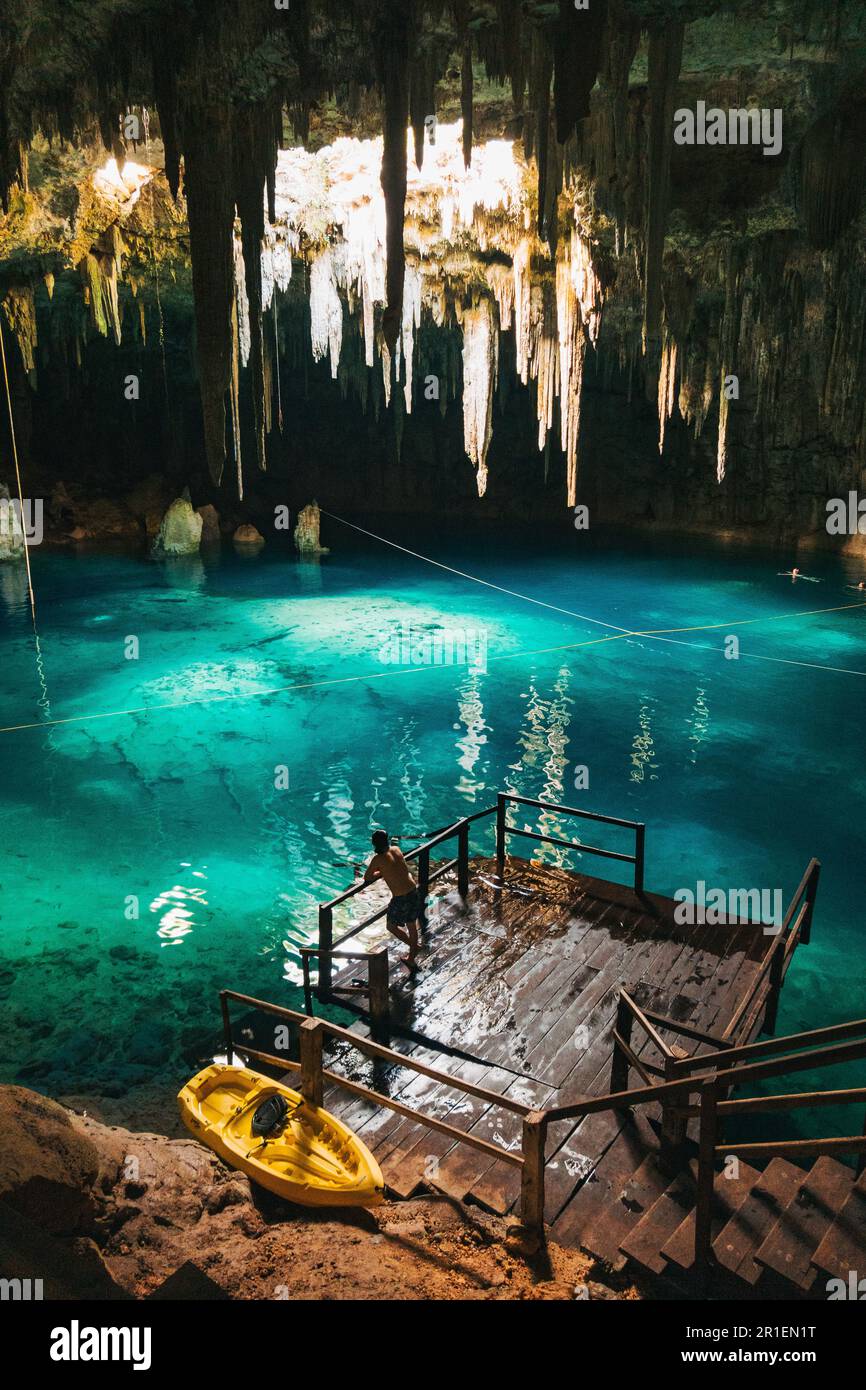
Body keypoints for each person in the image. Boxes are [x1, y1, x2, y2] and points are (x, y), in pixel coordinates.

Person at [364, 830, 423, 970]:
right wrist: (384, 871)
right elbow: (394, 866)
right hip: (413, 891)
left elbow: (367, 877)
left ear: (374, 844)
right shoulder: (396, 849)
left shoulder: (377, 859)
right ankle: (412, 956)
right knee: (411, 926)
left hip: (401, 897)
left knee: (391, 926)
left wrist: (380, 872)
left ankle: (413, 948)